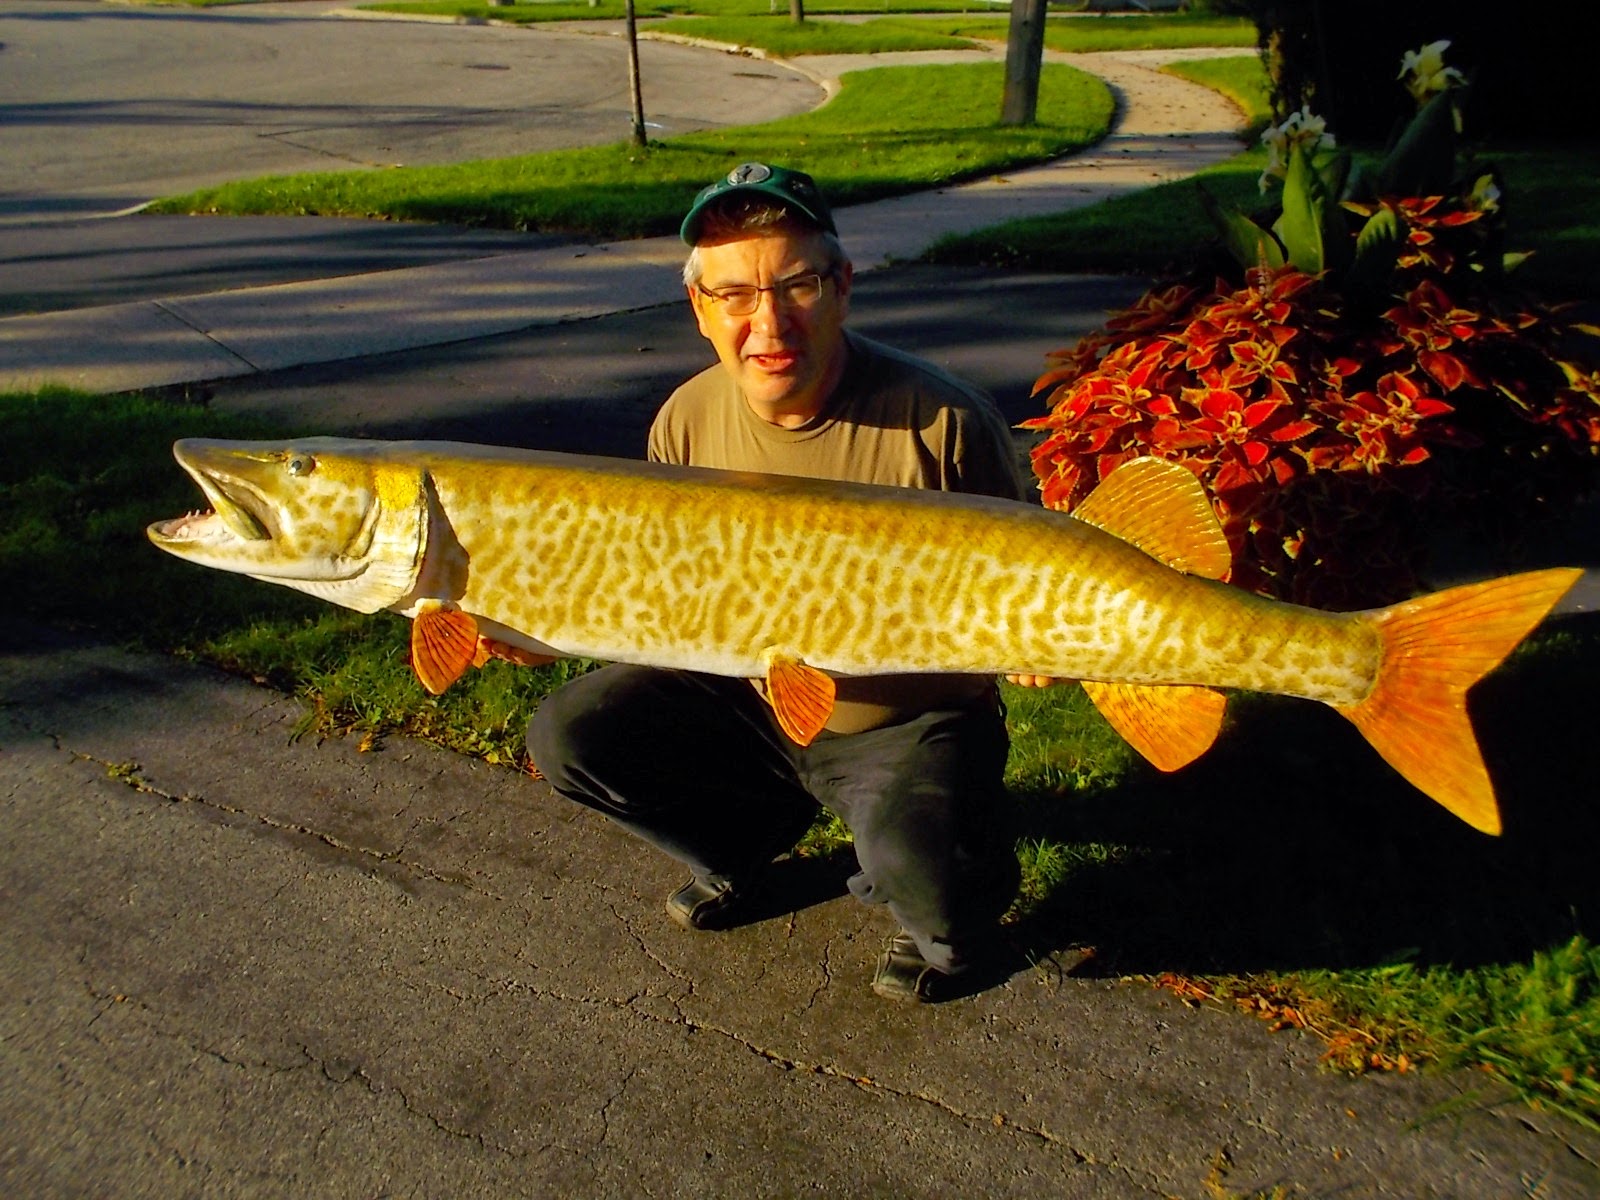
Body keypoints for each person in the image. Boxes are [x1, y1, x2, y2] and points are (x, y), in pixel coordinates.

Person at [511, 163, 1041, 1002]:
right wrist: (546, 632)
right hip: (753, 698)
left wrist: (1032, 646)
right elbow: (673, 594)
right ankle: (746, 844)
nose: (768, 322)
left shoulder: (945, 421)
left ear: (841, 286)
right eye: (734, 294)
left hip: (903, 720)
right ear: (700, 308)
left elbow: (1024, 587)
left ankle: (952, 918)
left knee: (925, 876)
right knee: (571, 734)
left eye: (797, 285)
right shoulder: (685, 420)